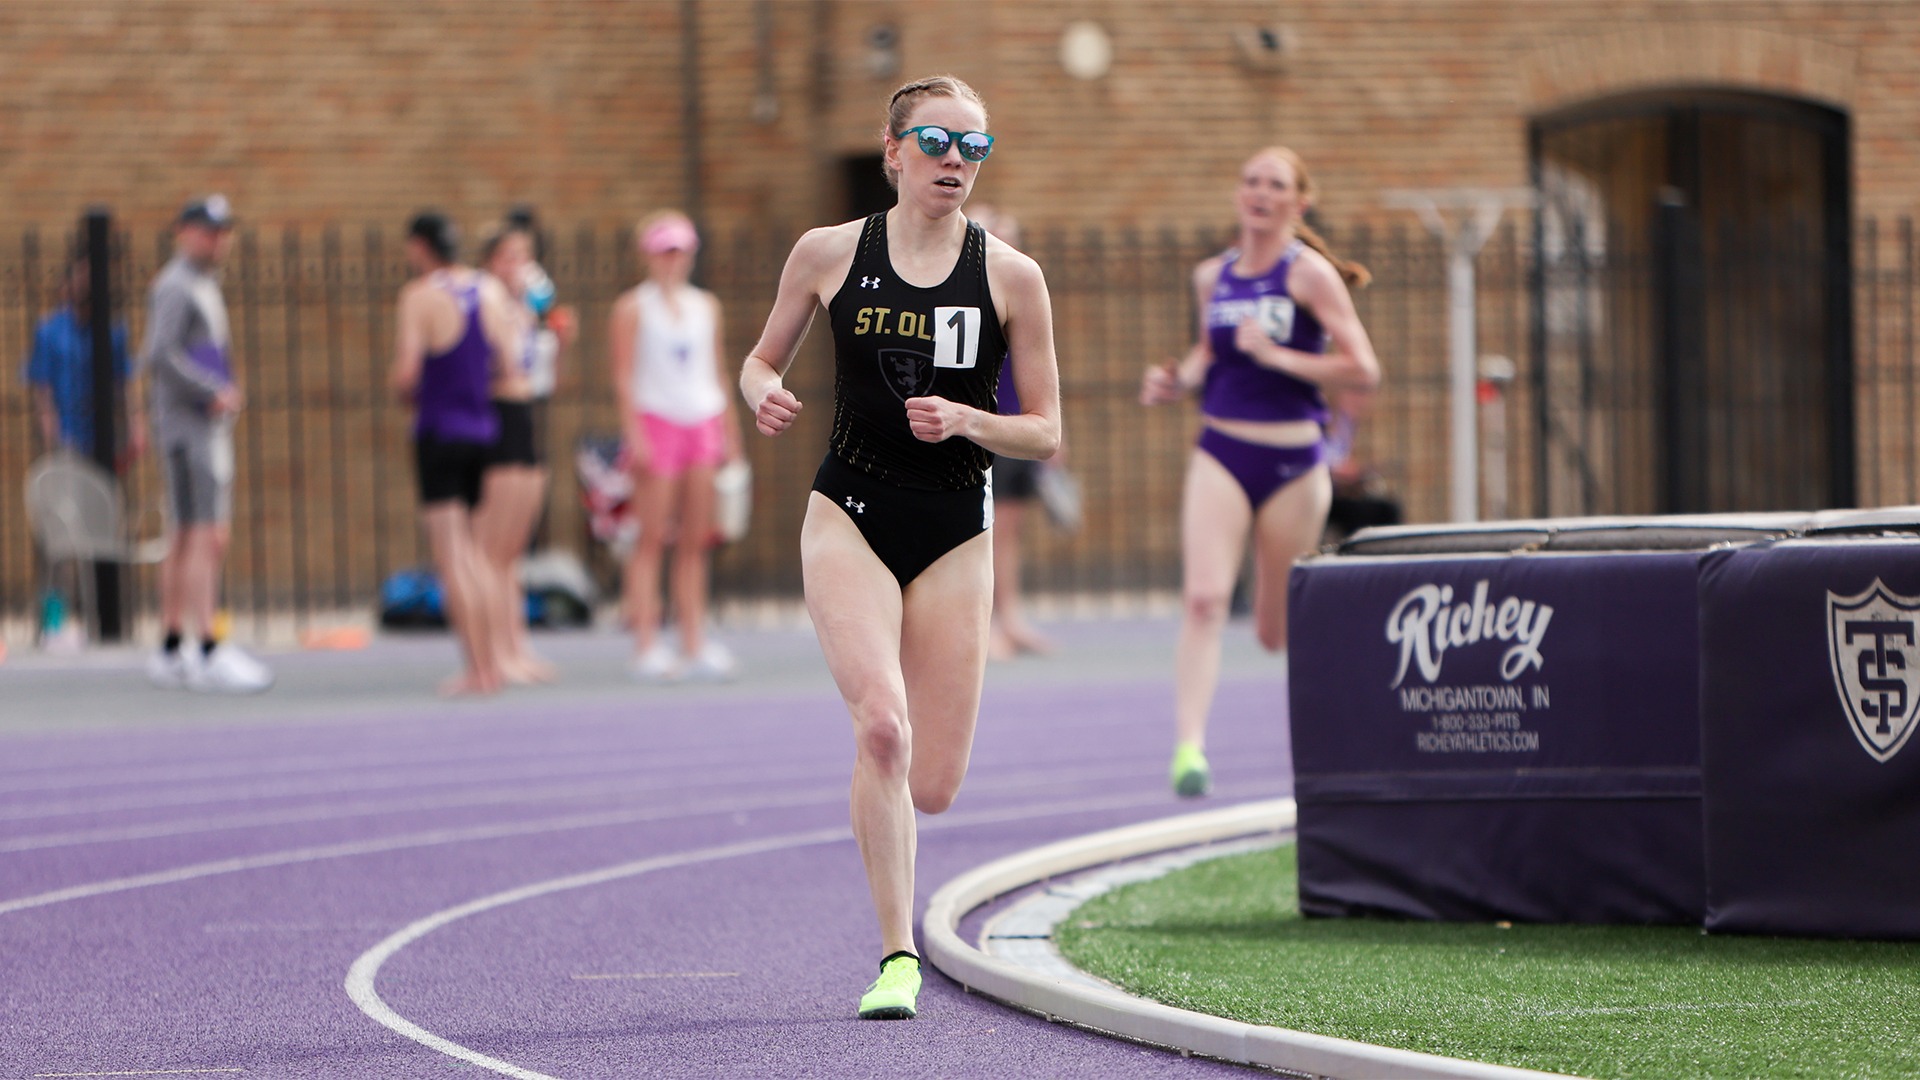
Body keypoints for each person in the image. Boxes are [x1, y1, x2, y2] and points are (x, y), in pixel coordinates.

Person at [740, 75, 1062, 1021]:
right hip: (850, 509)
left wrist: (969, 418)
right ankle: (898, 956)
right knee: (881, 725)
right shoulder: (829, 253)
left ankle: (899, 839)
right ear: (893, 151)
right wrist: (759, 388)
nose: (955, 161)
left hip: (956, 525)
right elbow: (762, 357)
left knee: (935, 784)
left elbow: (1044, 431)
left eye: (974, 147)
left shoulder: (1011, 275)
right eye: (936, 141)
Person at [1141, 147, 1380, 797]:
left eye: (1275, 185)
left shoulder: (1308, 277)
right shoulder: (1211, 277)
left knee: (1277, 630)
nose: (1260, 193)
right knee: (1205, 599)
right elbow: (1206, 352)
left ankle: (1343, 737)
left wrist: (1278, 356)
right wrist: (1177, 380)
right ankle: (1189, 749)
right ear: (1239, 194)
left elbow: (1364, 367)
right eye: (1251, 181)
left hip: (1295, 463)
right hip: (1222, 449)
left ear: (1298, 203)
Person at [140, 196, 274, 694]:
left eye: (222, 232)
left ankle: (175, 645)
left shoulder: (201, 283)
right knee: (203, 535)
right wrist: (211, 390)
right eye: (207, 231)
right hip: (189, 429)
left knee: (188, 535)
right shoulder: (177, 285)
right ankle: (206, 644)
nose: (218, 241)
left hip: (197, 427)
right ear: (184, 232)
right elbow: (160, 353)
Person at [390, 211, 520, 696]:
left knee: (453, 554)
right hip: (483, 431)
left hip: (440, 431)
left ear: (421, 247)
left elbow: (406, 375)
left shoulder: (419, 296)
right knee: (478, 556)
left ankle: (477, 668)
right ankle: (494, 664)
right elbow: (507, 363)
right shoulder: (487, 291)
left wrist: (412, 393)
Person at [611, 210, 744, 682]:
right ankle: (647, 640)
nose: (673, 260)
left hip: (701, 421)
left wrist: (731, 436)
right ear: (650, 254)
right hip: (657, 421)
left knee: (694, 539)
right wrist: (635, 436)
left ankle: (694, 639)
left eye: (680, 251)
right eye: (665, 250)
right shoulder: (632, 307)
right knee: (650, 539)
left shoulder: (706, 306)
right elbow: (624, 377)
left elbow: (717, 372)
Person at [969, 205, 1061, 660]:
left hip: (1018, 427)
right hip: (985, 430)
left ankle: (1012, 619)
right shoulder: (966, 297)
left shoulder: (1021, 292)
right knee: (985, 535)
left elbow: (1040, 380)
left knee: (1009, 533)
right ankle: (986, 628)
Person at [474, 223, 556, 684]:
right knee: (490, 549)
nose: (518, 266)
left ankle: (516, 645)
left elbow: (541, 377)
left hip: (524, 414)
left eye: (523, 256)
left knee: (511, 550)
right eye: (508, 256)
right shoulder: (485, 299)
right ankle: (494, 651)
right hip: (498, 418)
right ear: (490, 262)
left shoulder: (522, 309)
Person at [26, 255, 140, 461]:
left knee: (107, 490)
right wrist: (51, 432)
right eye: (80, 277)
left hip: (106, 432)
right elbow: (42, 387)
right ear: (66, 286)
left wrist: (135, 426)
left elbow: (123, 383)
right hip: (67, 433)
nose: (86, 283)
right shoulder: (49, 330)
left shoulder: (114, 330)